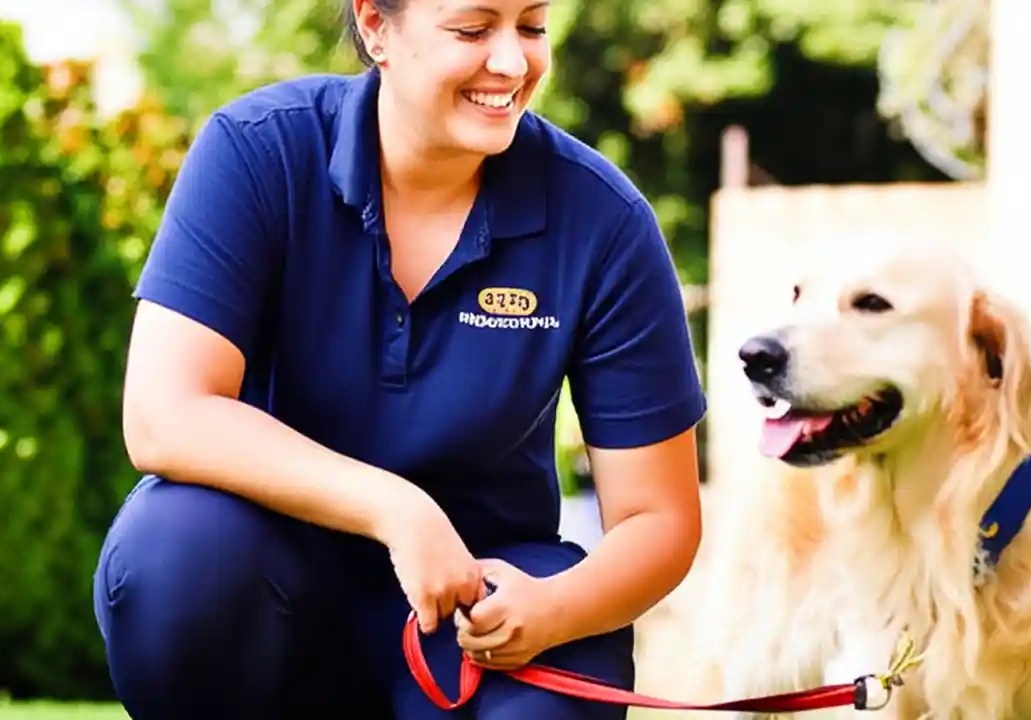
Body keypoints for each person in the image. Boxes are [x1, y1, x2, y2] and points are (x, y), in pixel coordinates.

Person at [91, 0, 707, 717]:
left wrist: (555, 608)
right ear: (377, 27)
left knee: (561, 684)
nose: (512, 62)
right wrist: (396, 510)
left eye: (533, 27)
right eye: (473, 29)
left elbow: (658, 518)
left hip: (478, 597)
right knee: (178, 558)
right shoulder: (256, 150)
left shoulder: (603, 219)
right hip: (267, 584)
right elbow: (165, 415)